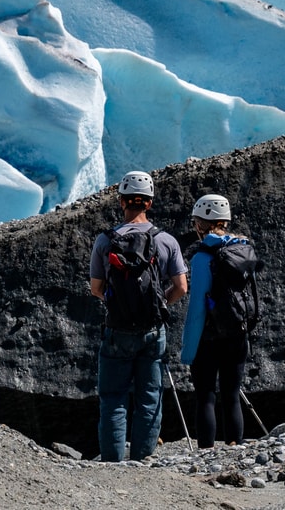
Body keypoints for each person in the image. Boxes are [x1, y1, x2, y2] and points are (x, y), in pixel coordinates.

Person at [89, 170, 188, 462]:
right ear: (149, 203)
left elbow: (96, 289)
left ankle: (112, 460)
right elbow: (182, 287)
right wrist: (161, 303)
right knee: (149, 396)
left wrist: (116, 302)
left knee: (113, 397)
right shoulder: (166, 241)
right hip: (153, 329)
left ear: (122, 202)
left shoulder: (105, 241)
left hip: (117, 329)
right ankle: (143, 458)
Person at [181, 194, 251, 448]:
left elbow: (197, 308)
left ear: (202, 224)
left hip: (209, 338)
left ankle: (207, 450)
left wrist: (188, 350)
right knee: (231, 394)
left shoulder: (202, 258)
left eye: (195, 222)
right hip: (238, 332)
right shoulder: (243, 249)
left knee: (206, 396)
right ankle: (234, 445)